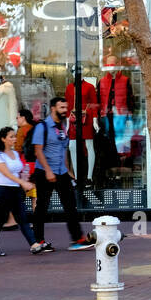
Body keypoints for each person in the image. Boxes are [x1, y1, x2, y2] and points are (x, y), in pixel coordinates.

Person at [31, 96, 91, 252]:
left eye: (66, 107)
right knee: (42, 207)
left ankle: (77, 239)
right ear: (53, 108)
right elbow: (38, 151)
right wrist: (49, 171)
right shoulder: (42, 127)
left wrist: (68, 170)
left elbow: (63, 149)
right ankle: (38, 241)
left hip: (61, 172)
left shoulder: (62, 126)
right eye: (62, 108)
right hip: (45, 171)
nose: (65, 111)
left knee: (70, 205)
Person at [0, 126, 42, 256]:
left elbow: (18, 172)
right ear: (3, 139)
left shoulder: (16, 154)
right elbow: (6, 173)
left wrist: (26, 179)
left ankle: (34, 245)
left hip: (15, 191)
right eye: (11, 136)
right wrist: (22, 182)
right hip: (1, 191)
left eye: (15, 136)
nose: (14, 139)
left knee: (22, 218)